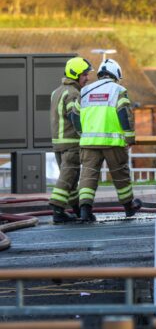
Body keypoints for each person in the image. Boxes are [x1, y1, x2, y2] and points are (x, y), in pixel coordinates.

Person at [76, 58, 142, 222]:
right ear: (116, 74)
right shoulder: (119, 90)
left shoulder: (84, 91)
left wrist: (82, 133)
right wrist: (129, 137)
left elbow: (74, 115)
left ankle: (85, 210)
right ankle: (128, 207)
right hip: (113, 143)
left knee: (88, 175)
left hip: (89, 143)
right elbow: (124, 115)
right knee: (120, 174)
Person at [48, 57, 92, 223]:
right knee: (68, 176)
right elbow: (74, 116)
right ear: (75, 75)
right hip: (71, 143)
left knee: (72, 178)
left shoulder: (56, 92)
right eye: (85, 75)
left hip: (58, 143)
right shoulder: (73, 93)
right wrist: (84, 135)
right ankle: (57, 208)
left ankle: (75, 209)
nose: (87, 78)